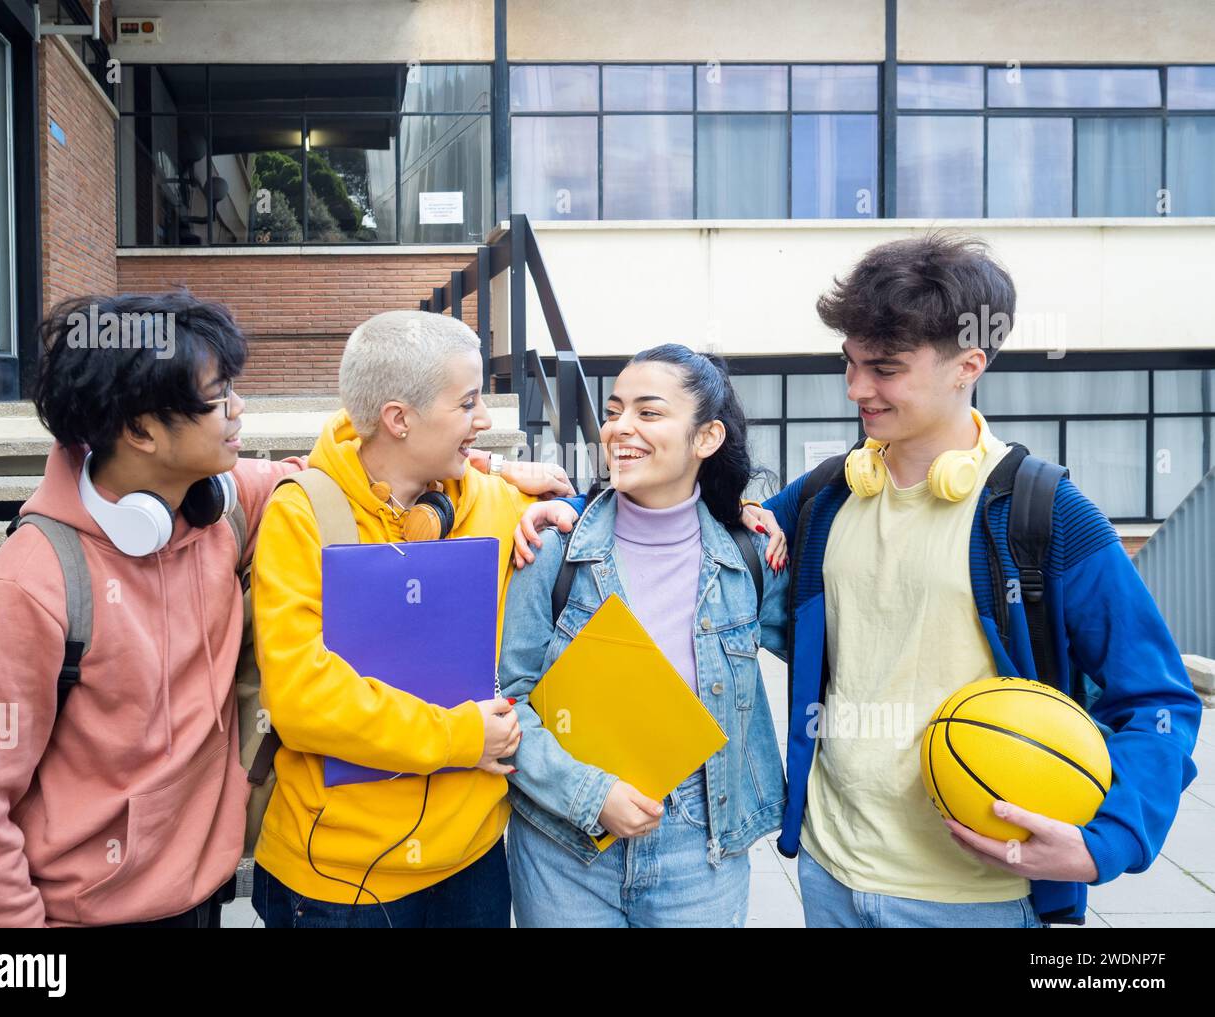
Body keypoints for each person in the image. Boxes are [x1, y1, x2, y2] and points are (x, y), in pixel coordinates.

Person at [760, 234, 1201, 927]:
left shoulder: (1048, 515)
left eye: (884, 369)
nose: (855, 389)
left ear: (968, 363)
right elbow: (693, 529)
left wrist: (1105, 842)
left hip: (977, 902)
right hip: (829, 872)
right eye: (848, 363)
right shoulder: (827, 493)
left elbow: (1158, 699)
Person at [0, 291, 303, 927]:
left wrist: (490, 474)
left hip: (202, 899)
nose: (239, 409)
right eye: (218, 396)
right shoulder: (21, 590)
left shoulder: (217, 506)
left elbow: (324, 477)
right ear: (140, 430)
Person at [248, 309, 573, 928]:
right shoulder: (302, 515)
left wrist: (747, 505)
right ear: (398, 418)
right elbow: (301, 698)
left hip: (472, 865)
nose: (485, 421)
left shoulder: (500, 501)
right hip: (335, 878)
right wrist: (461, 738)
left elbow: (625, 514)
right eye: (469, 403)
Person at [496, 344, 788, 927]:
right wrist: (590, 794)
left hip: (701, 846)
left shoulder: (751, 556)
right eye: (613, 411)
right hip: (564, 847)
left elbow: (826, 660)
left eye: (648, 413)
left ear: (706, 438)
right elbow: (506, 702)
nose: (619, 429)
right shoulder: (553, 551)